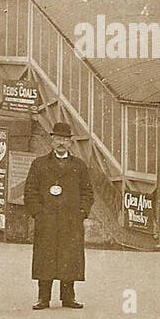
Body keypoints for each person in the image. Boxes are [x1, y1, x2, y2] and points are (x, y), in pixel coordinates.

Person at [23, 121, 94, 309]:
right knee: (45, 258)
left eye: (65, 139)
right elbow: (30, 191)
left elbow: (88, 193)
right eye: (57, 139)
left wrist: (81, 212)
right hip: (46, 220)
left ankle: (68, 298)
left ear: (70, 143)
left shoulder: (79, 166)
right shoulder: (39, 164)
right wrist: (38, 213)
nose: (61, 143)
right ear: (51, 141)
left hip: (71, 221)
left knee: (68, 258)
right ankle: (43, 298)